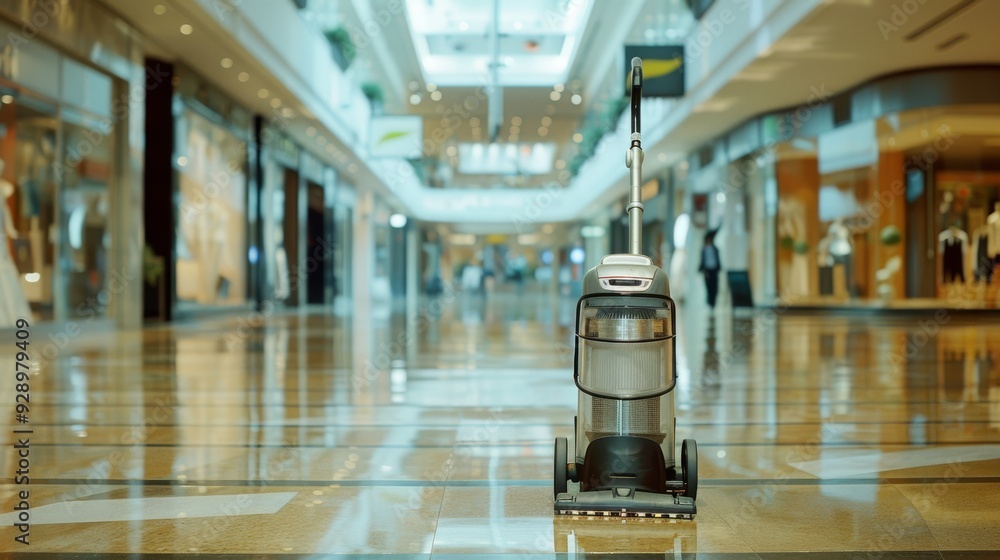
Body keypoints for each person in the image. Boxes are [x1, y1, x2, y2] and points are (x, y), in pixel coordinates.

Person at [699, 229, 721, 308]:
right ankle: (710, 302)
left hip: (714, 270)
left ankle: (713, 302)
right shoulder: (704, 250)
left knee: (715, 286)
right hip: (707, 270)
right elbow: (702, 261)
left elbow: (717, 260)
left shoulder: (715, 249)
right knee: (708, 286)